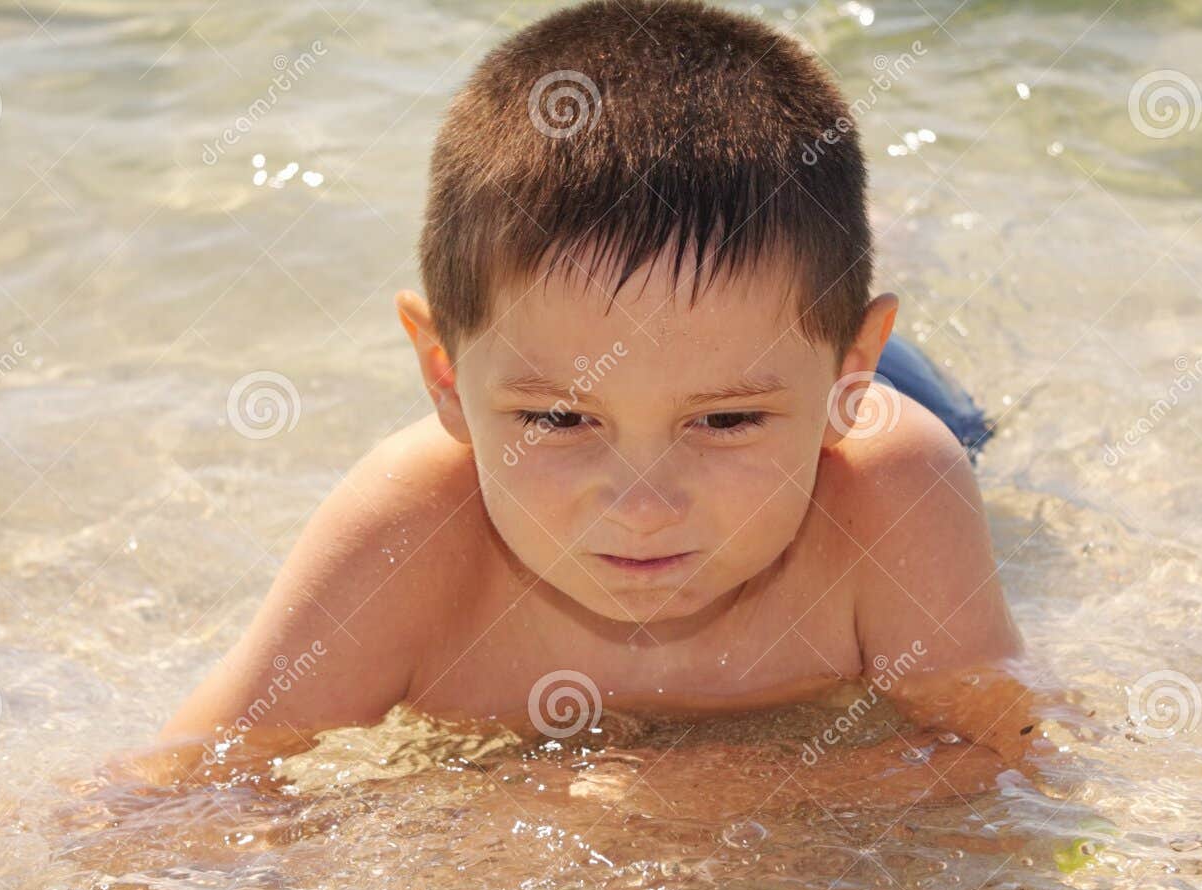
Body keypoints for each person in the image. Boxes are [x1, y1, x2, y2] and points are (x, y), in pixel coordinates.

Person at [159, 0, 1023, 771]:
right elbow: (183, 786)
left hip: (884, 380)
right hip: (779, 353)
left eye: (724, 422)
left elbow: (1007, 760)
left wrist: (667, 810)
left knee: (846, 292)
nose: (643, 507)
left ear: (848, 380)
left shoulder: (889, 488)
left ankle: (885, 235)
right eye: (561, 418)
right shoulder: (409, 533)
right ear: (444, 376)